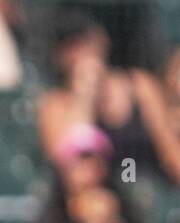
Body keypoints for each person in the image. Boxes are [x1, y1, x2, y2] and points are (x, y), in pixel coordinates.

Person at [37, 13, 180, 186]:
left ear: (101, 41)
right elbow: (74, 171)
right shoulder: (56, 103)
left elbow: (169, 149)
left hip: (150, 190)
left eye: (86, 41)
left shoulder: (139, 85)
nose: (82, 51)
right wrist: (84, 98)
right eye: (71, 45)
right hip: (100, 196)